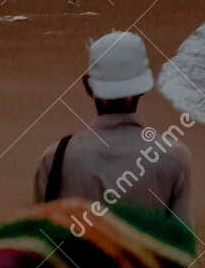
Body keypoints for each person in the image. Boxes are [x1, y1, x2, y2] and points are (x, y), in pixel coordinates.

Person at [33, 29, 192, 227]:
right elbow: (182, 247)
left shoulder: (55, 158)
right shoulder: (174, 157)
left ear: (88, 86)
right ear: (143, 88)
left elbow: (40, 241)